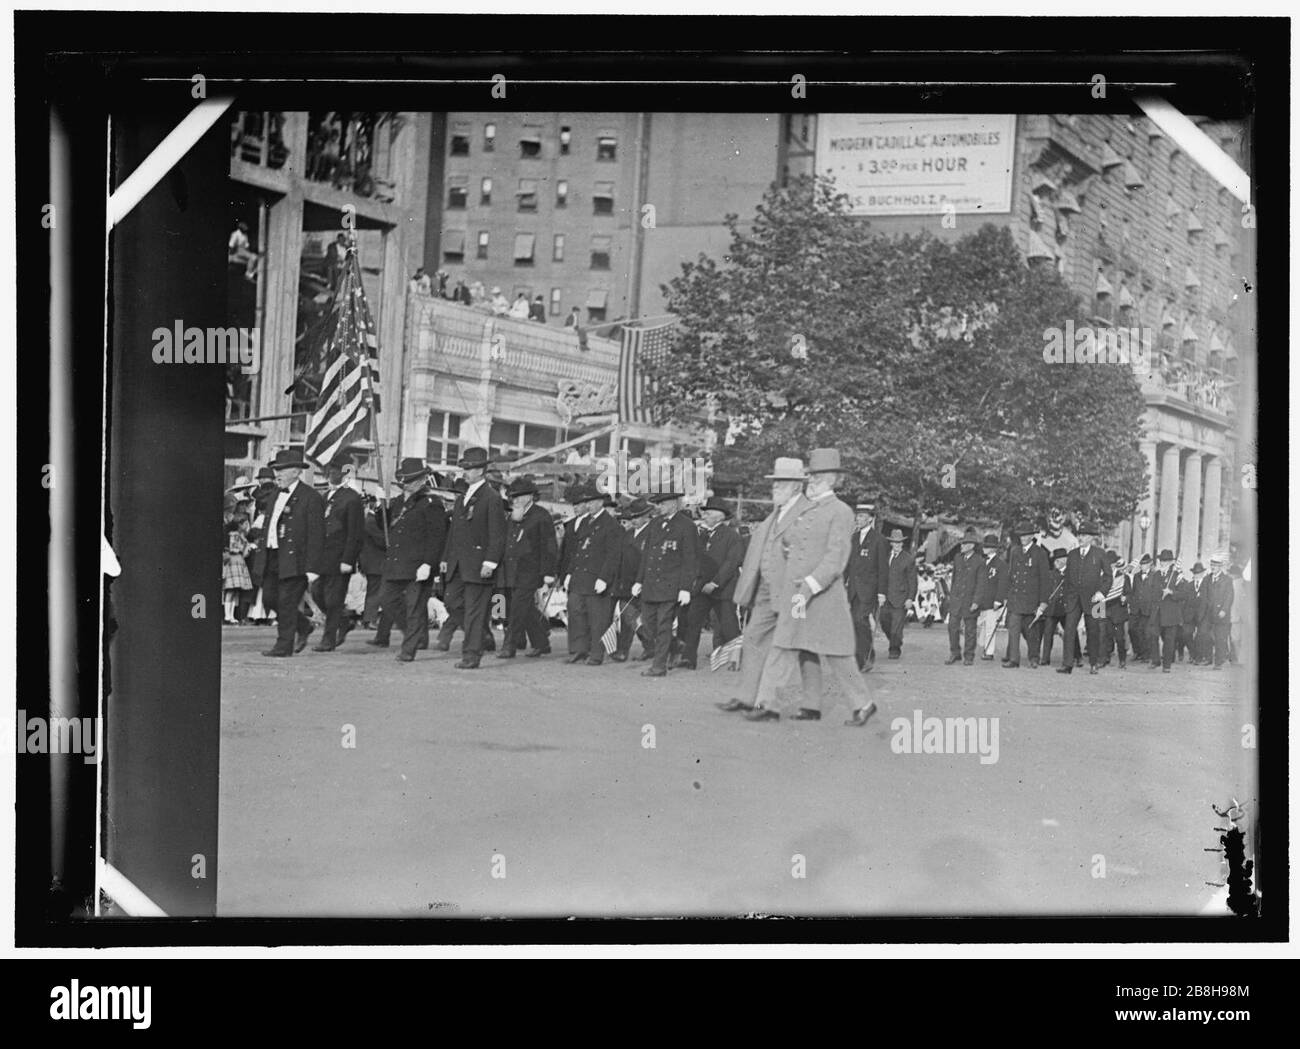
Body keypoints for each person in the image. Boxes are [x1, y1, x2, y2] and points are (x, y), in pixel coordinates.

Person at [743, 448, 877, 727]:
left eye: (818, 476)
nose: (812, 481)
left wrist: (809, 586)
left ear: (832, 479)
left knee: (837, 654)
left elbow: (835, 558)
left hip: (823, 596)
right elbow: (791, 538)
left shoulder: (841, 511)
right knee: (786, 644)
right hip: (797, 594)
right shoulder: (807, 508)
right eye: (811, 475)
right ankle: (774, 705)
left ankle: (863, 704)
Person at [717, 458, 808, 714]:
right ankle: (746, 697)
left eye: (782, 483)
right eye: (775, 482)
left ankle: (770, 704)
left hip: (791, 591)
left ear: (797, 487)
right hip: (766, 589)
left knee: (784, 648)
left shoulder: (807, 512)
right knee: (753, 638)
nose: (776, 487)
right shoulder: (776, 513)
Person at [374, 459, 448, 662]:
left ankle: (409, 649)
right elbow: (385, 526)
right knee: (386, 600)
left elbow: (437, 537)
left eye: (415, 479)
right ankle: (415, 634)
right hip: (396, 563)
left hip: (418, 565)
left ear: (423, 479)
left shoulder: (431, 503)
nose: (411, 484)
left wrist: (428, 563)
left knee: (415, 607)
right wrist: (381, 506)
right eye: (407, 480)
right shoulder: (398, 502)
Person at [440, 447, 505, 669]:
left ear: (481, 471)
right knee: (451, 601)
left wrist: (490, 562)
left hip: (479, 564)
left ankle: (471, 655)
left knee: (475, 612)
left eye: (469, 469)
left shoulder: (492, 498)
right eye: (464, 468)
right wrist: (446, 557)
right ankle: (483, 635)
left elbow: (497, 534)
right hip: (458, 563)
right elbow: (454, 531)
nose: (464, 472)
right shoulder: (462, 499)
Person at [259, 447, 325, 657]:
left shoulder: (310, 497)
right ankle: (303, 625)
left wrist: (313, 567)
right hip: (271, 555)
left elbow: (317, 534)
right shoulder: (274, 495)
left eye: (282, 470)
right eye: (276, 469)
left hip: (296, 559)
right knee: (270, 599)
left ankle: (283, 646)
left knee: (287, 603)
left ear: (296, 471)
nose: (277, 474)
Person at [633, 492, 699, 678]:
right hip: (651, 585)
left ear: (673, 504)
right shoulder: (655, 524)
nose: (659, 507)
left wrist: (686, 587)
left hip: (671, 585)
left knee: (663, 626)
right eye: (658, 504)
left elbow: (690, 559)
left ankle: (659, 666)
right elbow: (646, 555)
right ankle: (674, 645)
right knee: (648, 625)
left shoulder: (687, 526)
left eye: (662, 504)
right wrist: (639, 580)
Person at [677, 496, 743, 670]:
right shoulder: (701, 535)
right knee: (693, 623)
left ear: (720, 517)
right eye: (704, 512)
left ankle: (736, 660)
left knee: (729, 626)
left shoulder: (732, 537)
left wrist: (714, 583)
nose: (704, 515)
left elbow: (731, 563)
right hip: (701, 589)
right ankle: (688, 659)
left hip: (723, 589)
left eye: (709, 512)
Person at [559, 484, 620, 665]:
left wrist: (604, 578)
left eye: (593, 502)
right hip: (579, 577)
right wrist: (569, 573)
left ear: (601, 502)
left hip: (597, 578)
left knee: (597, 619)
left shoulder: (611, 524)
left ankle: (596, 653)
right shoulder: (585, 522)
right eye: (588, 502)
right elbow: (577, 551)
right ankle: (579, 650)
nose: (590, 505)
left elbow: (613, 555)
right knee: (576, 613)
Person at [499, 474, 558, 659]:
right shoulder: (514, 516)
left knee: (517, 608)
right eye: (512, 497)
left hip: (530, 570)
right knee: (525, 608)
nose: (513, 500)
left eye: (516, 497)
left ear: (529, 497)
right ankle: (541, 642)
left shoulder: (541, 515)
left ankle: (509, 645)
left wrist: (548, 572)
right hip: (512, 570)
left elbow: (549, 546)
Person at [310, 452, 364, 651]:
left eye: (335, 470)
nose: (331, 473)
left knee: (334, 599)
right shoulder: (327, 496)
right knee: (317, 593)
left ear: (344, 473)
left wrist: (348, 559)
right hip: (323, 557)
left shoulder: (352, 498)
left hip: (340, 557)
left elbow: (355, 533)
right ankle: (343, 620)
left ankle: (328, 639)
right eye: (329, 470)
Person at [1057, 520, 1111, 674]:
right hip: (1074, 599)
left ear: (1091, 538)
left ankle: (1094, 663)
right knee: (1069, 630)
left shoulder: (1100, 553)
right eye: (1079, 535)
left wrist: (1101, 593)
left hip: (1095, 600)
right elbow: (1067, 578)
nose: (1080, 538)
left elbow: (1108, 576)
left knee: (1093, 631)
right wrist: (1067, 597)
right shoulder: (1072, 554)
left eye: (1084, 535)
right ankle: (1067, 664)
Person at [997, 520, 1051, 668]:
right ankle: (1014, 659)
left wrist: (1043, 602)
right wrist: (1007, 595)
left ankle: (1034, 658)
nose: (1023, 538)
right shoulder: (1014, 551)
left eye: (1026, 535)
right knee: (1013, 630)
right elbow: (1011, 574)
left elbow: (1045, 580)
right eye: (1021, 535)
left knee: (1032, 631)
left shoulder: (1040, 553)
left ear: (1032, 536)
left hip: (1032, 600)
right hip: (1015, 598)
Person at [845, 501, 887, 672]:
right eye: (858, 515)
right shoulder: (853, 538)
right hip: (853, 590)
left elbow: (884, 569)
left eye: (862, 516)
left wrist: (882, 592)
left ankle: (868, 658)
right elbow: (848, 565)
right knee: (854, 624)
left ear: (870, 519)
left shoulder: (879, 540)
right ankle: (858, 658)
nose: (858, 519)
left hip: (869, 590)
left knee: (860, 621)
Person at [612, 498, 654, 662]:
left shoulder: (652, 533)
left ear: (646, 516)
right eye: (632, 517)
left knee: (644, 618)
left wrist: (642, 581)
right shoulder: (627, 534)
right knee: (627, 616)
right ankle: (625, 649)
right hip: (627, 582)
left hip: (645, 581)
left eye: (637, 517)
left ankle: (650, 646)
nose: (634, 520)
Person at [945, 527, 984, 666]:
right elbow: (955, 578)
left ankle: (969, 656)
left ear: (972, 546)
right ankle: (954, 653)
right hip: (956, 600)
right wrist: (952, 596)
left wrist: (976, 601)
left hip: (970, 601)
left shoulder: (979, 561)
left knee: (970, 630)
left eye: (964, 544)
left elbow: (981, 583)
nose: (961, 546)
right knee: (952, 627)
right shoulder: (957, 558)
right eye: (961, 544)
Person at [877, 528, 917, 660]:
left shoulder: (908, 559)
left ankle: (894, 649)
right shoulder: (885, 557)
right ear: (891, 543)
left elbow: (913, 580)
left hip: (901, 599)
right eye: (895, 542)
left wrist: (910, 598)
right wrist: (879, 593)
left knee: (896, 627)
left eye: (899, 542)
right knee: (884, 622)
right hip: (886, 598)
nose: (897, 545)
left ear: (902, 543)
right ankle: (896, 640)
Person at [1148, 549, 1189, 673]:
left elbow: (1185, 594)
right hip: (1157, 612)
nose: (1162, 562)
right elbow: (1152, 591)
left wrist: (1171, 592)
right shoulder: (1156, 575)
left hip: (1171, 613)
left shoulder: (1177, 575)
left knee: (1169, 640)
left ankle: (1167, 665)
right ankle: (1155, 660)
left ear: (1171, 562)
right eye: (1161, 560)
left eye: (1165, 561)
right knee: (1152, 635)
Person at [1099, 550, 1132, 668]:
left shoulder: (1123, 577)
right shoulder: (1101, 577)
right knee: (1104, 636)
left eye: (1110, 563)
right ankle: (1104, 658)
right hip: (1105, 610)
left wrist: (1125, 598)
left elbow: (1129, 593)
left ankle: (1122, 659)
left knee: (1119, 637)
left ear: (1114, 564)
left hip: (1118, 611)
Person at [974, 533, 1005, 659]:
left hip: (993, 600)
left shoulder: (1000, 564)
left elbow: (1003, 583)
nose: (984, 548)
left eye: (987, 546)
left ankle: (989, 652)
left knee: (990, 627)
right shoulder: (981, 562)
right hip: (980, 600)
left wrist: (998, 599)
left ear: (994, 548)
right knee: (979, 625)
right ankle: (983, 645)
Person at [1037, 548, 1069, 667]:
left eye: (1057, 560)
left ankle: (1076, 656)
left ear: (1064, 560)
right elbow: (1046, 590)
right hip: (1052, 609)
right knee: (1048, 633)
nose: (1055, 563)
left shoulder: (1070, 574)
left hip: (1066, 609)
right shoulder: (1051, 574)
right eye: (1055, 560)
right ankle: (1045, 658)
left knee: (1071, 634)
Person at [222, 515, 254, 624]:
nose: (246, 526)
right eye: (244, 523)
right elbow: (234, 548)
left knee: (235, 590)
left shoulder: (241, 536)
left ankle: (230, 615)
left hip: (239, 560)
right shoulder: (234, 535)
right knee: (231, 589)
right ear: (239, 525)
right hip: (234, 560)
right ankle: (227, 615)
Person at [1205, 554, 1234, 669]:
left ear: (1220, 567)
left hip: (1222, 615)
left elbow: (1229, 597)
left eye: (1215, 565)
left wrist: (1224, 610)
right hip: (1209, 614)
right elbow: (1205, 595)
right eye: (1212, 565)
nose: (1213, 567)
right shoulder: (1207, 579)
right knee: (1208, 636)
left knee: (1220, 638)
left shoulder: (1227, 580)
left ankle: (1218, 662)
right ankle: (1209, 658)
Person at [1179, 562, 1208, 664]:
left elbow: (1207, 601)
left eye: (1199, 573)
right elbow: (1184, 601)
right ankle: (1193, 654)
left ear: (1203, 574)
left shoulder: (1207, 585)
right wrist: (1183, 616)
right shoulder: (1188, 585)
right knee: (1186, 634)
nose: (1197, 575)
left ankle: (1198, 657)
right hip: (1189, 615)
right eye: (1195, 573)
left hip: (1202, 615)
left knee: (1201, 635)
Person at [1128, 553, 1154, 663]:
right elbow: (1134, 591)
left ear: (1149, 564)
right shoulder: (1137, 576)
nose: (1142, 566)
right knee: (1131, 629)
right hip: (1135, 608)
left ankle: (1146, 654)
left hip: (1147, 608)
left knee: (1143, 631)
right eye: (1141, 564)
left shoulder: (1154, 576)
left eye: (1144, 564)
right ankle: (1137, 651)